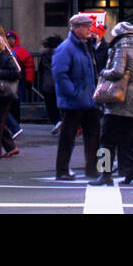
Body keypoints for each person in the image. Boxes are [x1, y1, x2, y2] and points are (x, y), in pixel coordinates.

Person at [91, 20, 133, 186]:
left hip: (119, 98)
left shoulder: (121, 49)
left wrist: (103, 72)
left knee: (106, 138)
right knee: (127, 139)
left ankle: (105, 174)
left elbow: (117, 71)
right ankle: (131, 173)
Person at [54, 14, 101, 181]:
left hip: (87, 99)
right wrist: (73, 93)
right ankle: (62, 170)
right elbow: (60, 74)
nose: (90, 29)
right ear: (76, 28)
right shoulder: (67, 48)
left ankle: (93, 169)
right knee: (68, 137)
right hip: (74, 102)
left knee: (94, 135)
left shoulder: (85, 46)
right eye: (86, 26)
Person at [39, 35, 61, 129]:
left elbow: (41, 70)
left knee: (50, 105)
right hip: (59, 83)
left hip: (47, 83)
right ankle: (61, 120)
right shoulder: (62, 54)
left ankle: (56, 121)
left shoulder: (44, 56)